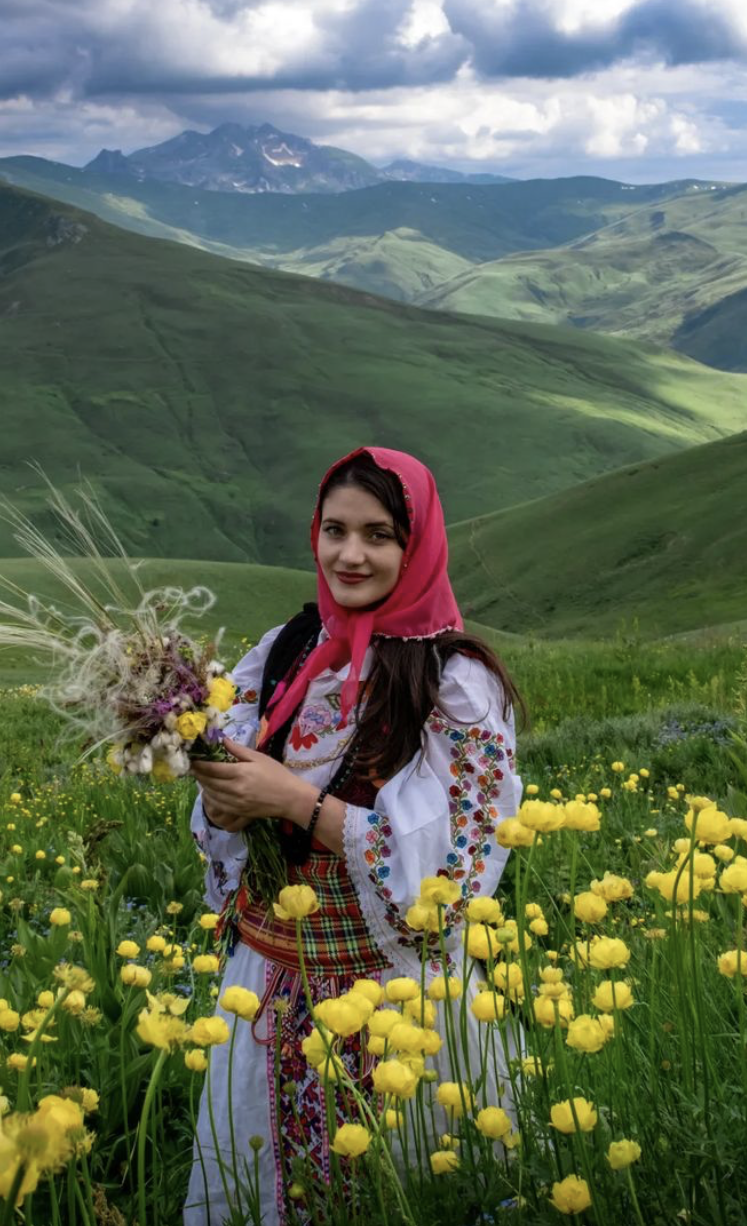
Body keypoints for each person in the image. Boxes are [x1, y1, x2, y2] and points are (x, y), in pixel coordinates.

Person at [183, 446, 524, 1226]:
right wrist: (226, 805)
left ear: (419, 544)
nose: (350, 553)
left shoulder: (453, 682)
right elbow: (233, 808)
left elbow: (456, 869)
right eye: (334, 530)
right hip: (268, 983)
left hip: (393, 998)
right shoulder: (287, 650)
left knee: (398, 1194)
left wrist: (295, 801)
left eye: (378, 534)